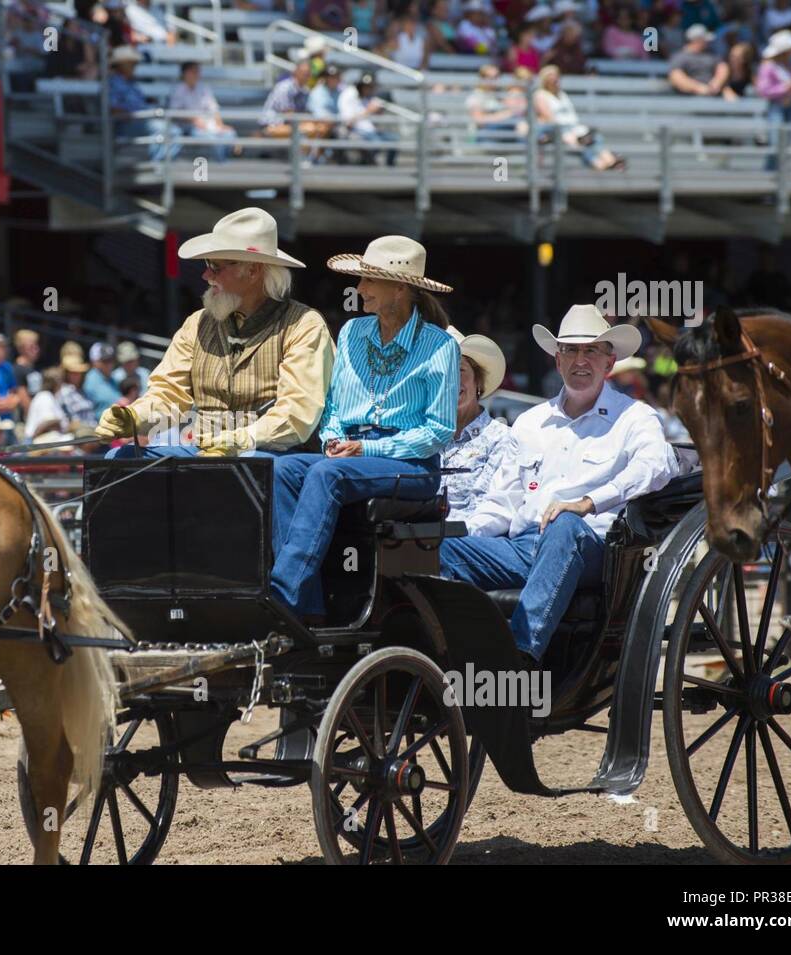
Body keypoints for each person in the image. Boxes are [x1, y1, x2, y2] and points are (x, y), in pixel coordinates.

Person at [439, 305, 678, 663]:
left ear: (609, 363)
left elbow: (656, 466)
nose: (579, 360)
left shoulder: (636, 417)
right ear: (557, 360)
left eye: (590, 350)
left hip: (595, 549)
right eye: (569, 350)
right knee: (436, 550)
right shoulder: (529, 422)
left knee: (566, 527)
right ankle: (444, 659)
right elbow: (502, 503)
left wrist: (588, 502)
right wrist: (460, 532)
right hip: (524, 547)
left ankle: (519, 658)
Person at [269, 236, 459, 621]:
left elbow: (437, 433)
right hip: (350, 455)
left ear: (400, 288)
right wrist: (334, 438)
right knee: (281, 469)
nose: (360, 290)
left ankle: (282, 595)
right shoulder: (353, 332)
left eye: (369, 281)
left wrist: (366, 450)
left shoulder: (441, 346)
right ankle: (308, 609)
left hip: (414, 466)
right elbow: (335, 406)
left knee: (326, 473)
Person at [94, 207, 334, 458]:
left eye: (215, 266)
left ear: (253, 270)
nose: (206, 275)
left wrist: (239, 440)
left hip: (274, 453)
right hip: (204, 451)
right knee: (119, 458)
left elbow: (296, 414)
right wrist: (134, 417)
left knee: (248, 466)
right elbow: (169, 393)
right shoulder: (196, 324)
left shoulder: (304, 325)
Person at [441, 326, 513, 522]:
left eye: (460, 369)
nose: (450, 380)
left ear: (478, 381)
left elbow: (490, 508)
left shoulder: (500, 438)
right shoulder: (421, 438)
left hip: (470, 542)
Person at [534, 65, 626, 171]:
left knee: (594, 137)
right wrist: (570, 130)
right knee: (580, 140)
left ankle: (603, 162)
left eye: (556, 76)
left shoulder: (562, 94)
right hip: (555, 129)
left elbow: (572, 115)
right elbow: (549, 117)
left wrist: (576, 128)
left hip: (572, 127)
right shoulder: (540, 94)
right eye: (551, 76)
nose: (554, 79)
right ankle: (607, 161)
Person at [108, 44, 181, 161]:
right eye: (131, 63)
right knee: (165, 129)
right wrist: (137, 115)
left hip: (141, 120)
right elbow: (114, 110)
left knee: (173, 129)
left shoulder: (132, 83)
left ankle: (162, 164)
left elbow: (139, 103)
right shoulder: (113, 83)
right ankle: (159, 164)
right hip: (126, 124)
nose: (134, 66)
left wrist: (148, 106)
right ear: (121, 65)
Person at [168, 61, 237, 161]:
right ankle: (221, 164)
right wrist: (194, 120)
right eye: (194, 71)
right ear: (186, 73)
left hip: (206, 124)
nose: (197, 74)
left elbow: (214, 108)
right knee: (211, 138)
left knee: (229, 134)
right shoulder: (178, 90)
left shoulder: (204, 88)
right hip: (188, 126)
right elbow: (175, 113)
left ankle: (223, 163)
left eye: (198, 71)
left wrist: (220, 124)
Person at [757, 29, 791, 171]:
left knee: (786, 143)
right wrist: (785, 88)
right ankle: (770, 175)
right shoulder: (768, 67)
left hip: (788, 107)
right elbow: (763, 90)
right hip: (776, 108)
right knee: (776, 143)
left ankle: (781, 175)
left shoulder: (787, 66)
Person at [338, 72, 398, 165]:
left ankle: (389, 169)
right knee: (376, 143)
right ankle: (366, 165)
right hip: (356, 131)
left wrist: (377, 112)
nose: (368, 89)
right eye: (365, 86)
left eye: (370, 86)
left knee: (393, 140)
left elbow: (371, 121)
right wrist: (368, 111)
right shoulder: (349, 95)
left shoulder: (368, 97)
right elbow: (348, 122)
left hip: (371, 131)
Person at [668, 24, 735, 99]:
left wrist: (717, 83)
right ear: (697, 40)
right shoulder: (679, 57)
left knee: (730, 95)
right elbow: (676, 77)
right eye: (705, 40)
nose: (708, 42)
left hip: (715, 92)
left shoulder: (712, 54)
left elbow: (722, 68)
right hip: (689, 97)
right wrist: (699, 88)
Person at [467, 64, 523, 142]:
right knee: (516, 121)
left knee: (520, 121)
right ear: (482, 78)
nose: (494, 80)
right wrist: (504, 116)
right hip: (483, 134)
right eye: (489, 77)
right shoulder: (477, 95)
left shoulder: (498, 94)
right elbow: (479, 120)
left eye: (496, 77)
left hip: (501, 131)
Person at [25, 366, 70, 441]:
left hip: (46, 440)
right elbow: (45, 424)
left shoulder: (51, 397)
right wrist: (61, 422)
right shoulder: (45, 397)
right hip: (37, 443)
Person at [83, 342, 121, 417]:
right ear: (96, 362)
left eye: (111, 360)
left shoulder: (112, 379)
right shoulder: (91, 379)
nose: (110, 364)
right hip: (98, 425)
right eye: (105, 361)